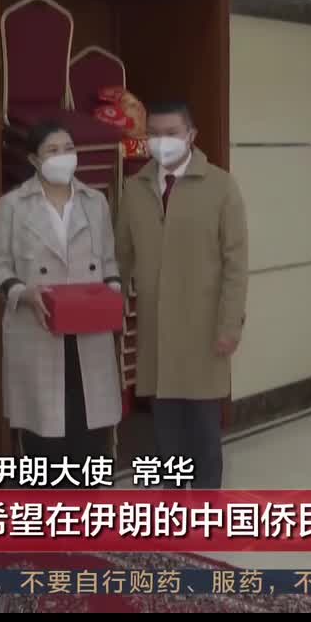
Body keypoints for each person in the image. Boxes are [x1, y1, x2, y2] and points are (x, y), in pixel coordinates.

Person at [115, 101, 248, 490]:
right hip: (156, 333)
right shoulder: (134, 189)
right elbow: (120, 257)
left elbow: (236, 264)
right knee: (166, 437)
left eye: (171, 132)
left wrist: (230, 325)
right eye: (154, 133)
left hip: (204, 331)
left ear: (191, 135)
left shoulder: (221, 186)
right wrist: (111, 310)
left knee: (204, 435)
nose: (162, 141)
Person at [0, 122, 124, 469]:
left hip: (90, 332)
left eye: (69, 148)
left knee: (90, 435)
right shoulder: (12, 205)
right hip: (38, 330)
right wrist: (23, 293)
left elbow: (109, 262)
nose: (64, 156)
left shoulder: (95, 202)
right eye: (53, 150)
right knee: (44, 439)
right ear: (34, 159)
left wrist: (112, 294)